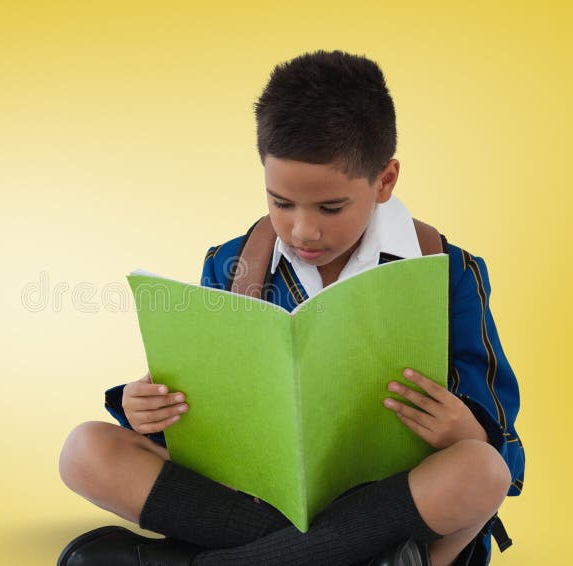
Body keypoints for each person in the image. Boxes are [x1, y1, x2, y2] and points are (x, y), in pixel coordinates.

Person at [57, 50, 525, 566]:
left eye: (330, 208)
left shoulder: (450, 271)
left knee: (483, 470)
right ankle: (352, 557)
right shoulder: (231, 265)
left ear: (385, 181)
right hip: (258, 497)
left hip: (398, 502)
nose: (303, 230)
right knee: (85, 451)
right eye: (281, 202)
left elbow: (503, 451)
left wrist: (466, 430)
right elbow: (205, 424)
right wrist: (149, 411)